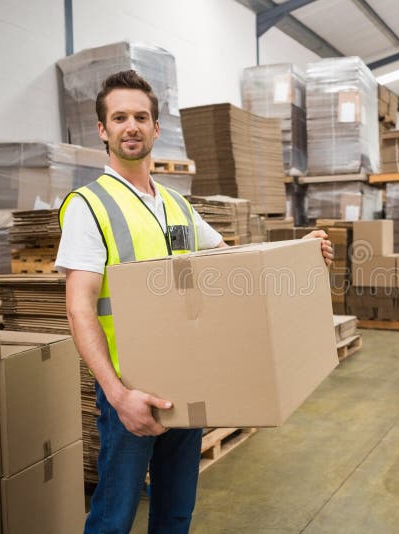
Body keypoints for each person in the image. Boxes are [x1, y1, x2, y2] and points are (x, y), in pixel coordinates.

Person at [55, 69, 333, 534]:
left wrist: (303, 252)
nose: (132, 126)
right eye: (119, 117)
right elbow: (79, 308)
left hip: (184, 386)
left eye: (141, 117)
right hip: (130, 392)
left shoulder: (177, 205)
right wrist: (119, 396)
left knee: (176, 511)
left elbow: (236, 265)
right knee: (113, 518)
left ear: (156, 128)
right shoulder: (90, 205)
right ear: (102, 130)